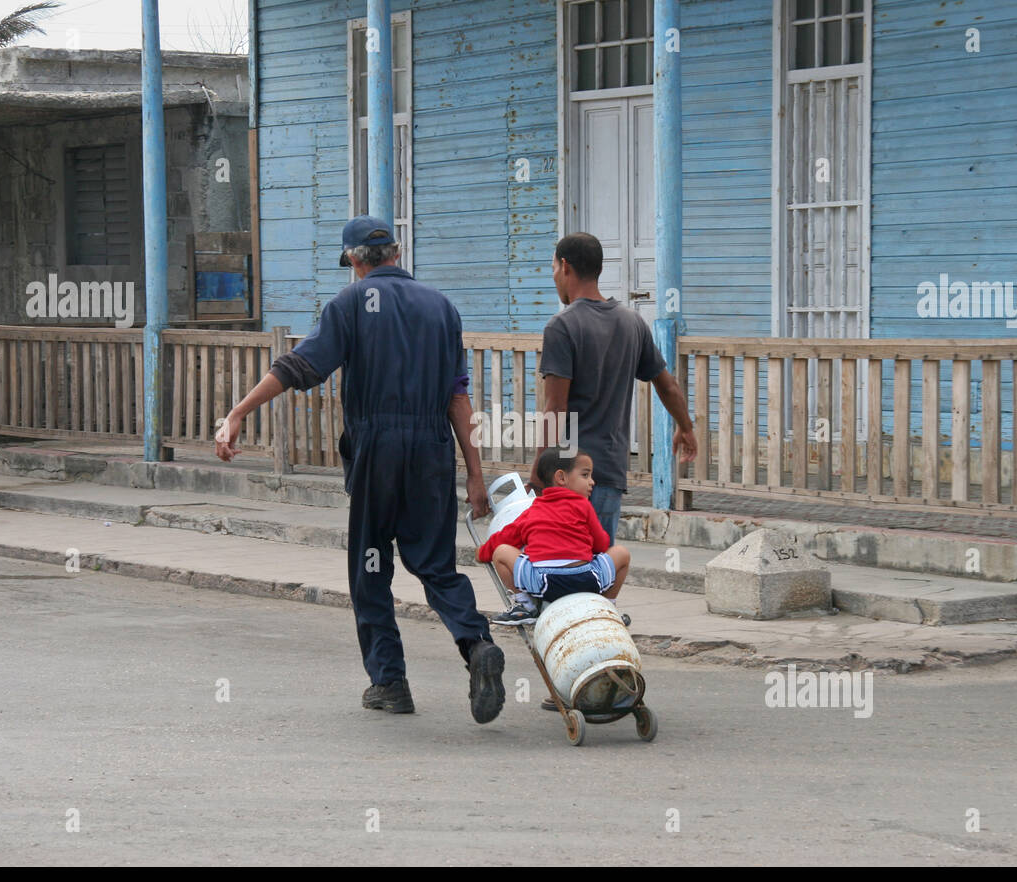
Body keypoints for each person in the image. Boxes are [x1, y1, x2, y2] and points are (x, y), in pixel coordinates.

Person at [213, 215, 505, 724]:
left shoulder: (350, 304)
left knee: (371, 566)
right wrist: (475, 474)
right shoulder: (442, 308)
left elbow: (296, 368)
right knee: (436, 565)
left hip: (378, 450)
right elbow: (459, 398)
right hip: (432, 450)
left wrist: (238, 412)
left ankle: (390, 682)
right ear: (395, 253)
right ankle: (477, 644)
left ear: (354, 260)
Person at [530, 232, 698, 544]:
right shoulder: (632, 322)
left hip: (567, 475)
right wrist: (685, 427)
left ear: (565, 266)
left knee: (559, 572)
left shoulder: (562, 326)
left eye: (553, 268)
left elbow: (555, 409)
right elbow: (667, 385)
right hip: (608, 473)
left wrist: (540, 471)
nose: (554, 276)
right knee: (595, 572)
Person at [476, 446, 631, 627]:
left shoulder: (533, 510)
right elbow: (602, 545)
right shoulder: (583, 506)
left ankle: (524, 606)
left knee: (501, 552)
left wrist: (482, 553)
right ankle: (606, 609)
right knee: (621, 553)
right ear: (561, 478)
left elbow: (504, 538)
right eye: (585, 475)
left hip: (544, 583)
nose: (592, 482)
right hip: (586, 579)